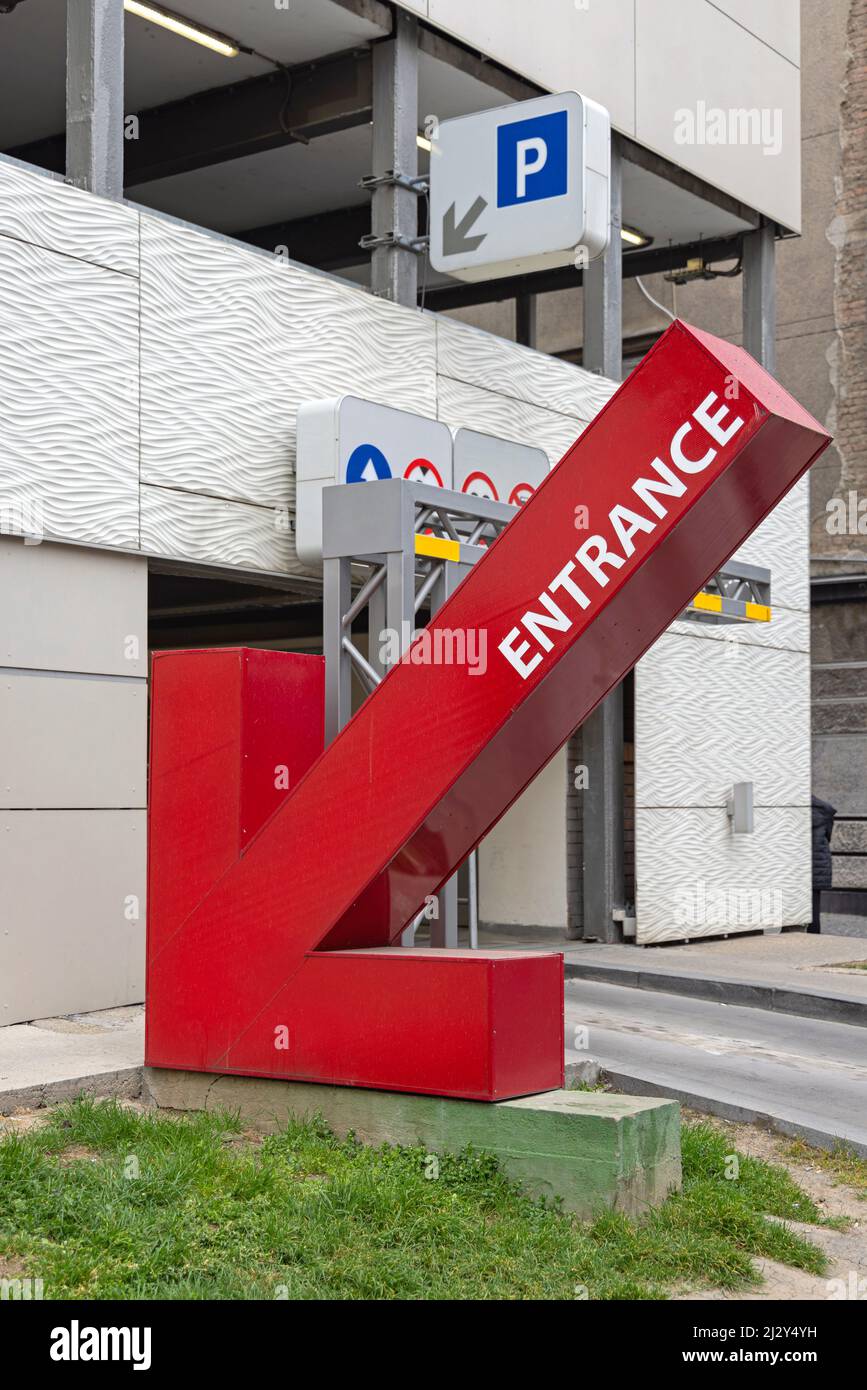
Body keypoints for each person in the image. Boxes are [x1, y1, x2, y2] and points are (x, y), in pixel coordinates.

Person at [810, 795, 836, 934]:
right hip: (817, 866)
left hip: (795, 867)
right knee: (813, 909)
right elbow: (828, 835)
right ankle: (814, 940)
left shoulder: (790, 809)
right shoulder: (824, 809)